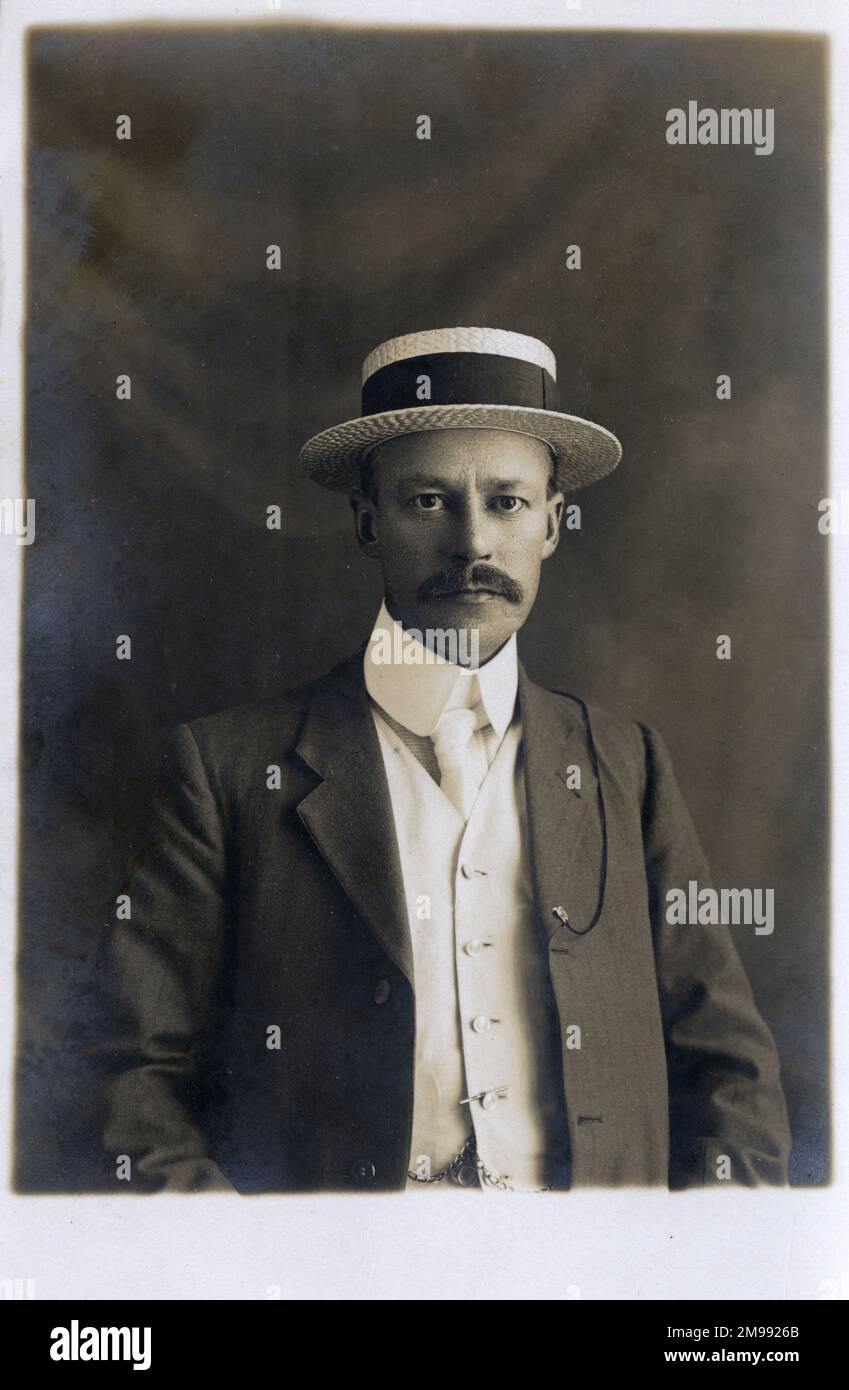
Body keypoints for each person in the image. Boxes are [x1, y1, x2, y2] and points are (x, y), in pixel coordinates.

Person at [91, 326, 791, 1193]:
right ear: (366, 522)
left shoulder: (628, 765)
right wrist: (247, 1271)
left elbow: (730, 1069)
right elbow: (132, 1076)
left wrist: (687, 1272)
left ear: (553, 525)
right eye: (428, 502)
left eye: (507, 502)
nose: (473, 545)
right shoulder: (226, 770)